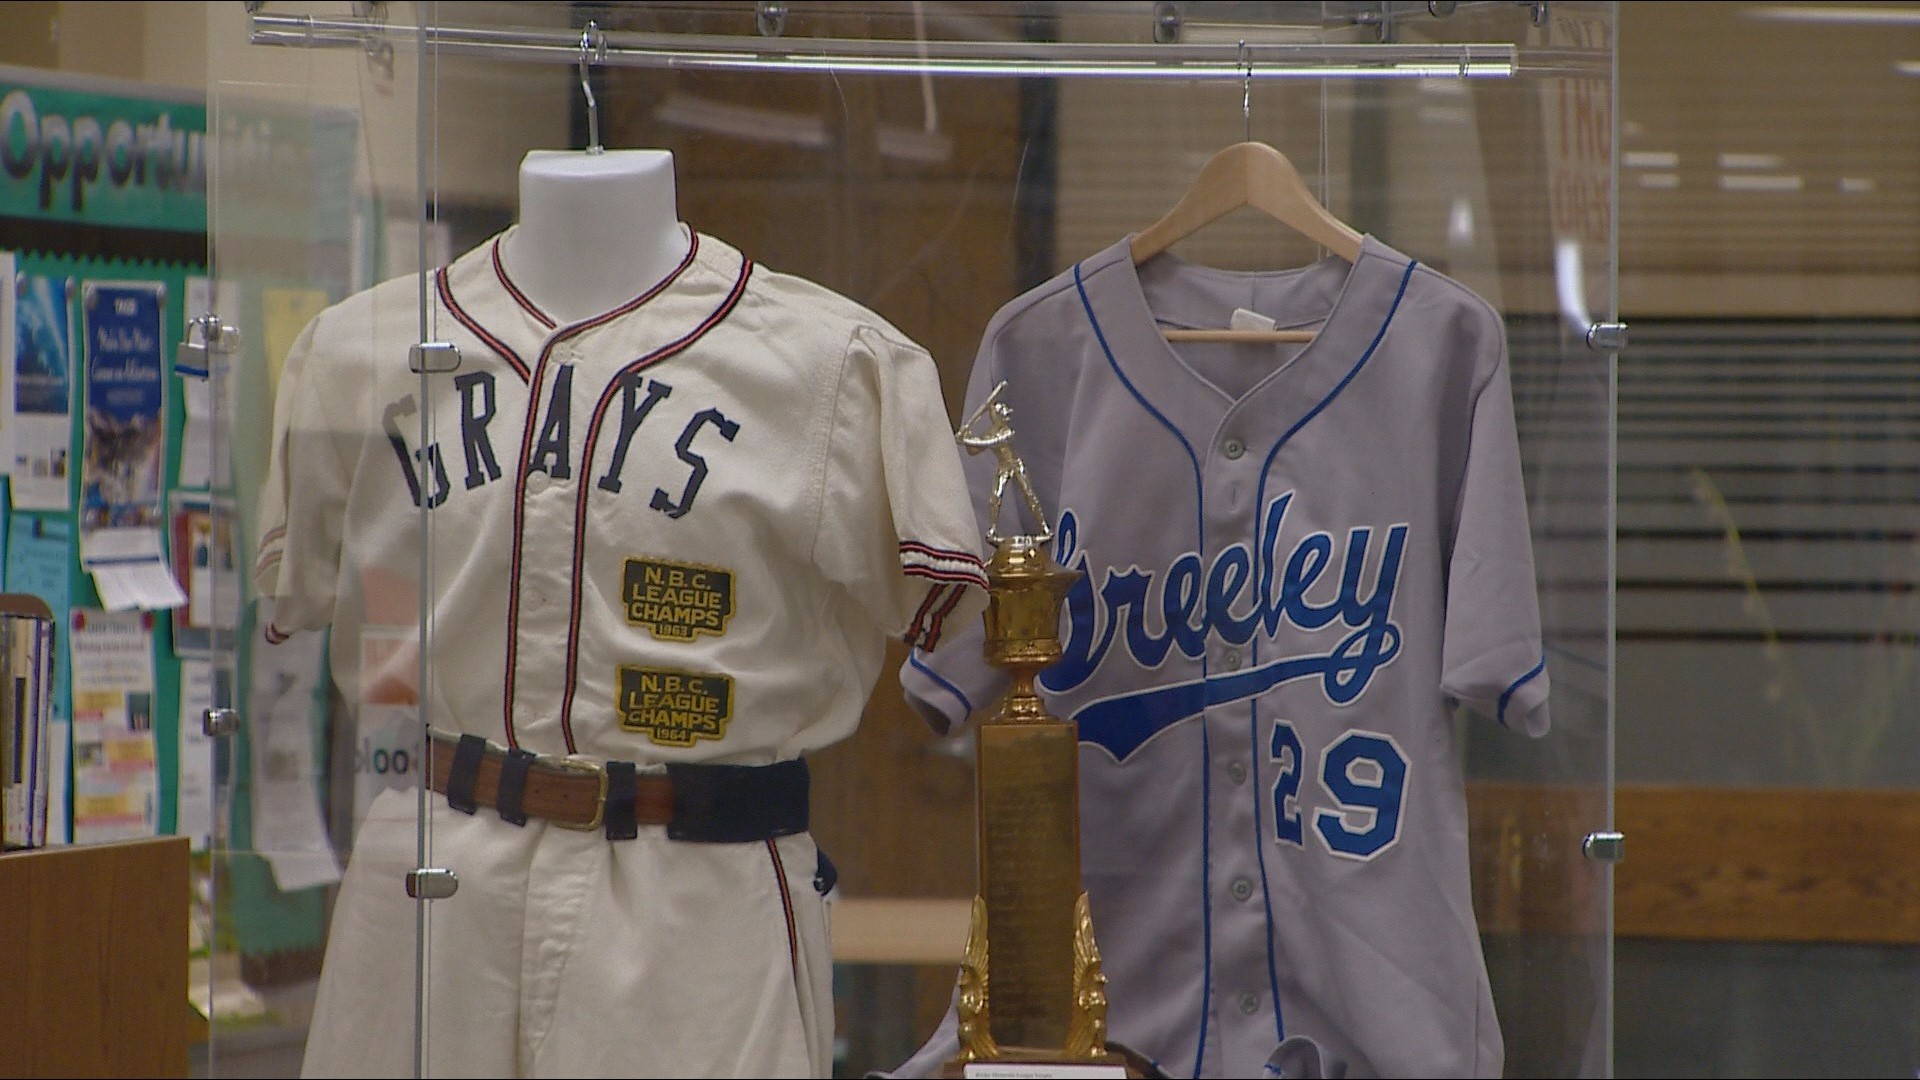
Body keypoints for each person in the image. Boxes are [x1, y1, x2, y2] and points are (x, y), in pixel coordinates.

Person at [256, 145, 989, 1078]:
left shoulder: (833, 363)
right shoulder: (359, 349)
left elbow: (950, 615)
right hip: (429, 878)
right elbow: (306, 590)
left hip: (694, 895)